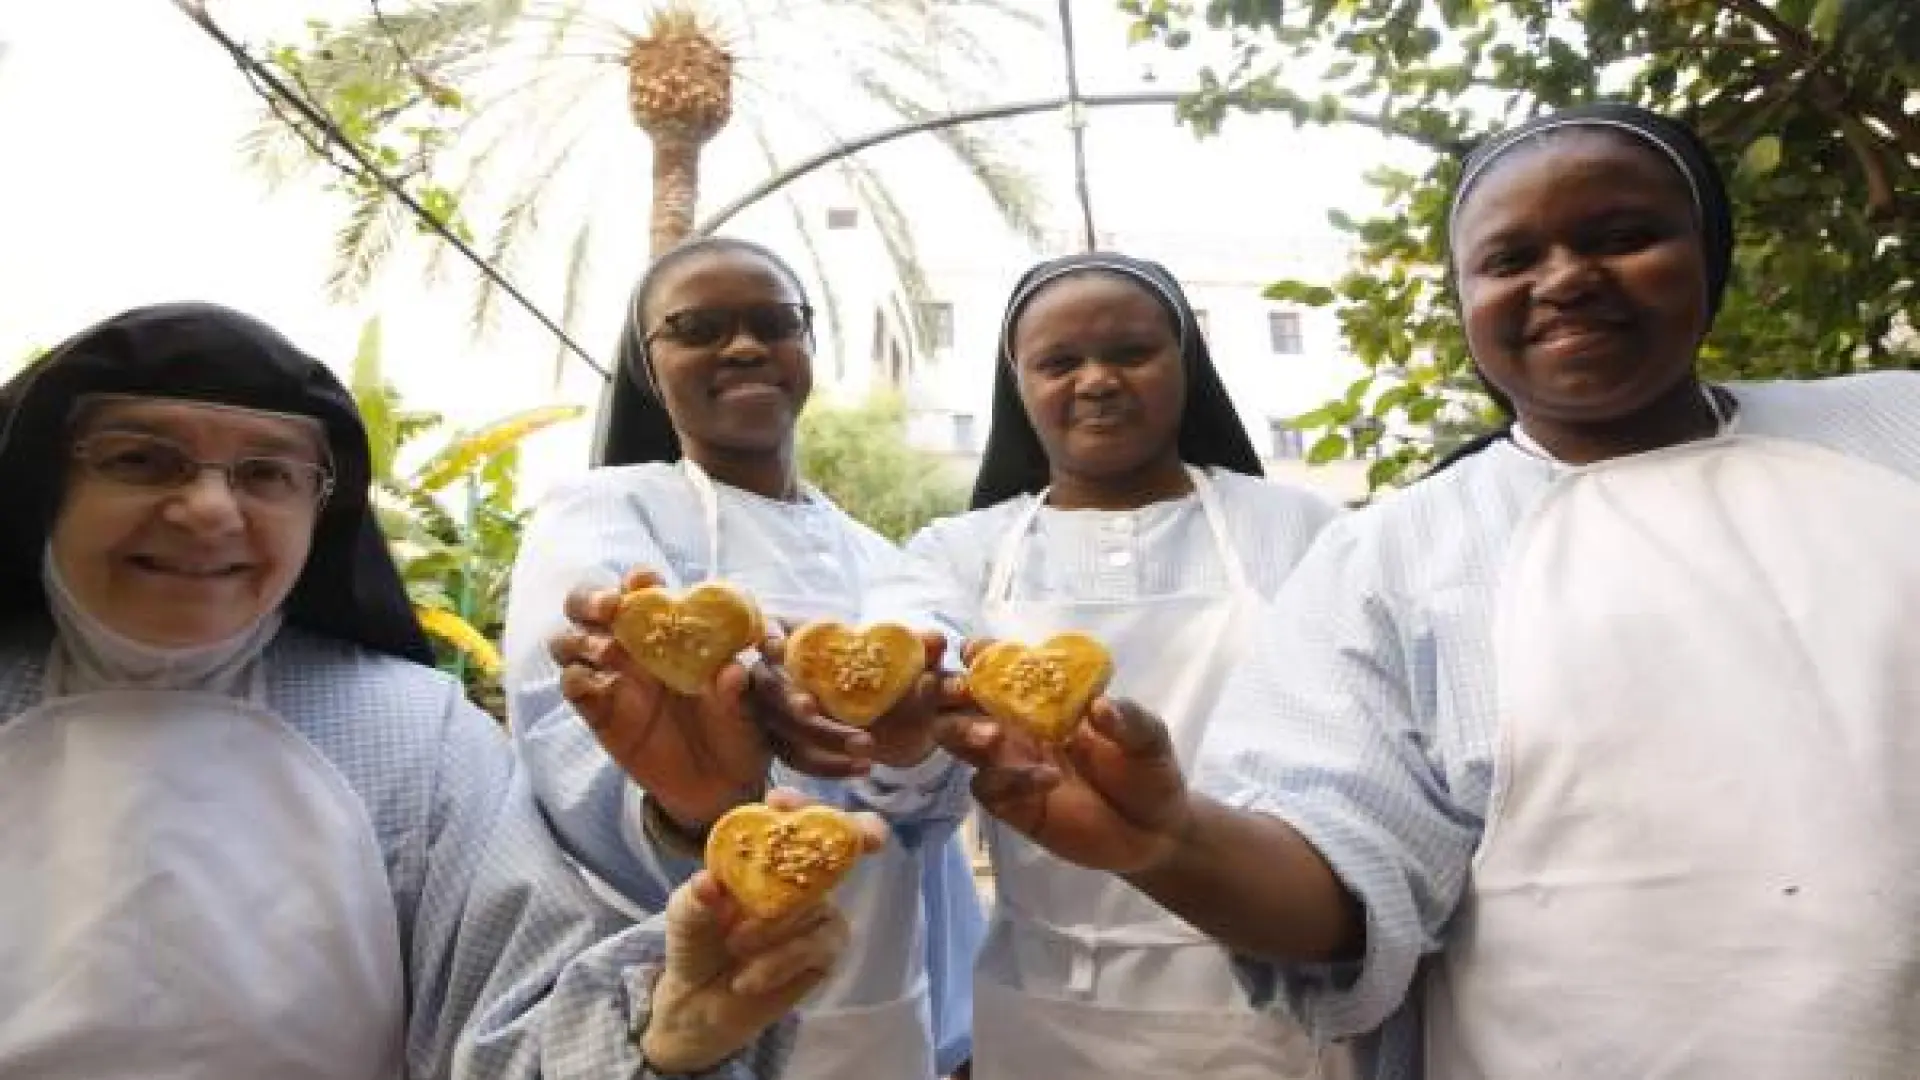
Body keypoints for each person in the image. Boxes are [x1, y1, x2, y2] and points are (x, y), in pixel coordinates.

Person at [936, 104, 1920, 1079]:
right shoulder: (1395, 556)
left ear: (1709, 250)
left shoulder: (1895, 433)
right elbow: (1348, 865)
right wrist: (1173, 840)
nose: (1569, 280)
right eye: (1511, 259)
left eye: (1624, 237)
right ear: (1463, 299)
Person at [0, 302, 869, 1079]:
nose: (209, 512)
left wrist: (661, 1041)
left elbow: (510, 1040)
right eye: (142, 459)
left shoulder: (416, 735)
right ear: (46, 484)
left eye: (268, 474)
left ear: (319, 509)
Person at [502, 237, 985, 1080]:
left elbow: (930, 811)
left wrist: (905, 748)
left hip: (884, 982)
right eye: (698, 327)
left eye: (775, 322)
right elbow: (572, 745)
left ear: (807, 348)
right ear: (650, 368)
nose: (744, 346)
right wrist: (708, 796)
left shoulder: (884, 557)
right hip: (688, 982)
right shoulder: (605, 514)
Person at [864, 253, 1349, 1079]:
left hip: (1271, 988)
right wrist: (900, 717)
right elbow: (910, 673)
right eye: (1059, 362)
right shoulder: (961, 554)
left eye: (1130, 352)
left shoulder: (1301, 529)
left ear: (1184, 364)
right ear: (1019, 385)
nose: (1097, 381)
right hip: (1049, 1001)